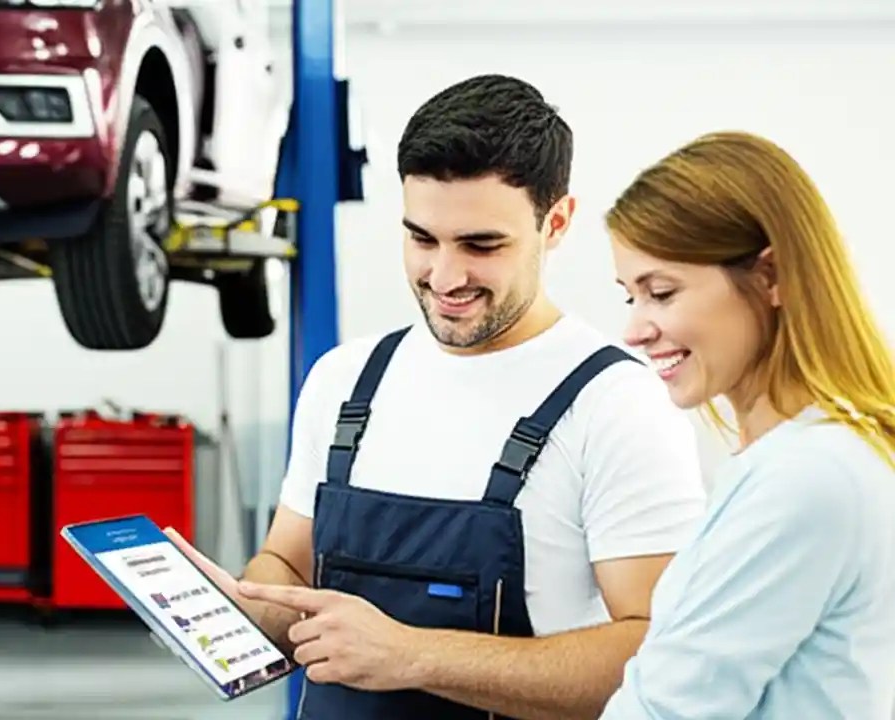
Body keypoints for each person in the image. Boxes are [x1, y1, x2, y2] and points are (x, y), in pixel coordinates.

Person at [167, 73, 708, 720]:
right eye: (422, 239)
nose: (445, 276)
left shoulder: (618, 403)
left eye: (482, 245)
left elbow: (660, 655)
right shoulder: (345, 382)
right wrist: (232, 612)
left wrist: (411, 655)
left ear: (556, 222)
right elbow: (288, 559)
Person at [595, 131, 895, 719]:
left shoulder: (806, 479)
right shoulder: (826, 456)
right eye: (630, 297)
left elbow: (666, 710)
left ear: (770, 277)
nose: (635, 329)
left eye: (661, 292)